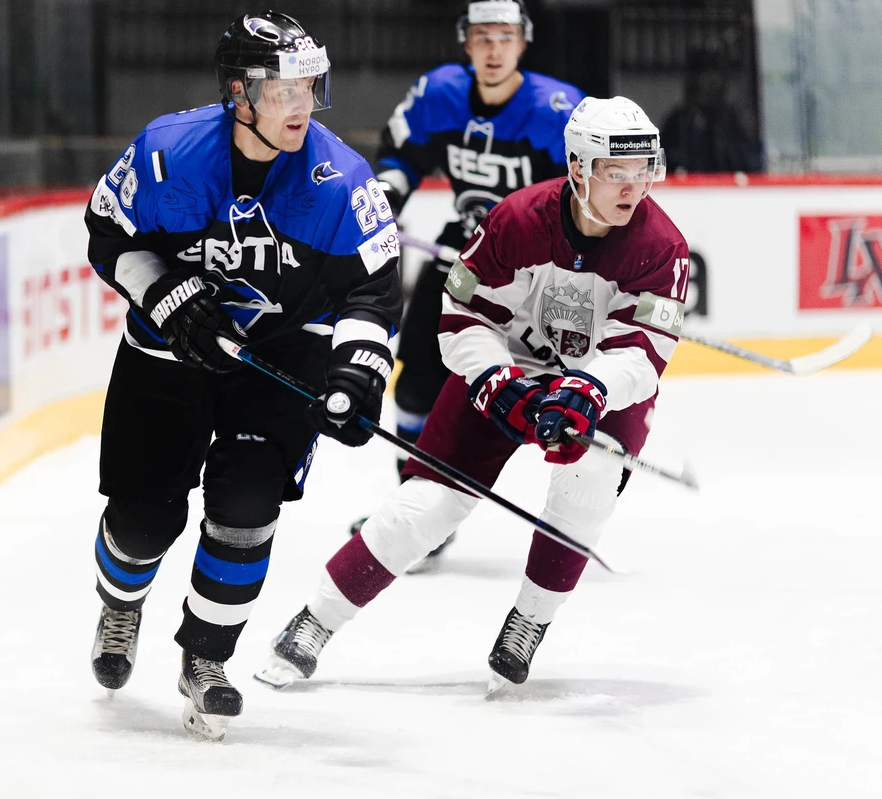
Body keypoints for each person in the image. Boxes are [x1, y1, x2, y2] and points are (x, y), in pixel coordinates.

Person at [258, 96, 690, 695]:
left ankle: (528, 623)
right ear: (577, 167)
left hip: (595, 384)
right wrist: (497, 382)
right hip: (506, 366)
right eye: (616, 172)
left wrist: (589, 389)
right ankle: (315, 619)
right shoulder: (516, 220)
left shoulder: (662, 245)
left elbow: (641, 355)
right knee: (427, 508)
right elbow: (461, 317)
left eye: (643, 171)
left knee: (587, 482)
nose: (632, 187)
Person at [83, 11, 403, 739]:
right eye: (285, 90)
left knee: (247, 506)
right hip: (165, 357)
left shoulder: (337, 179)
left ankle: (205, 658)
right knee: (143, 519)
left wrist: (357, 371)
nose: (303, 105)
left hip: (278, 363)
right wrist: (169, 297)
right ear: (240, 93)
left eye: (309, 88)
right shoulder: (168, 153)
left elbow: (374, 291)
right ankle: (121, 603)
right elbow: (107, 237)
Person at [352, 0, 584, 567]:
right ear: (467, 43)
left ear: (523, 43)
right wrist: (386, 201)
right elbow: (401, 156)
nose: (494, 49)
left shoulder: (558, 110)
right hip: (465, 254)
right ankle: (415, 508)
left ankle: (579, 510)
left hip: (540, 271)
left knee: (552, 391)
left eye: (506, 38)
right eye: (483, 38)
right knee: (413, 383)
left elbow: (586, 196)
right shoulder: (440, 93)